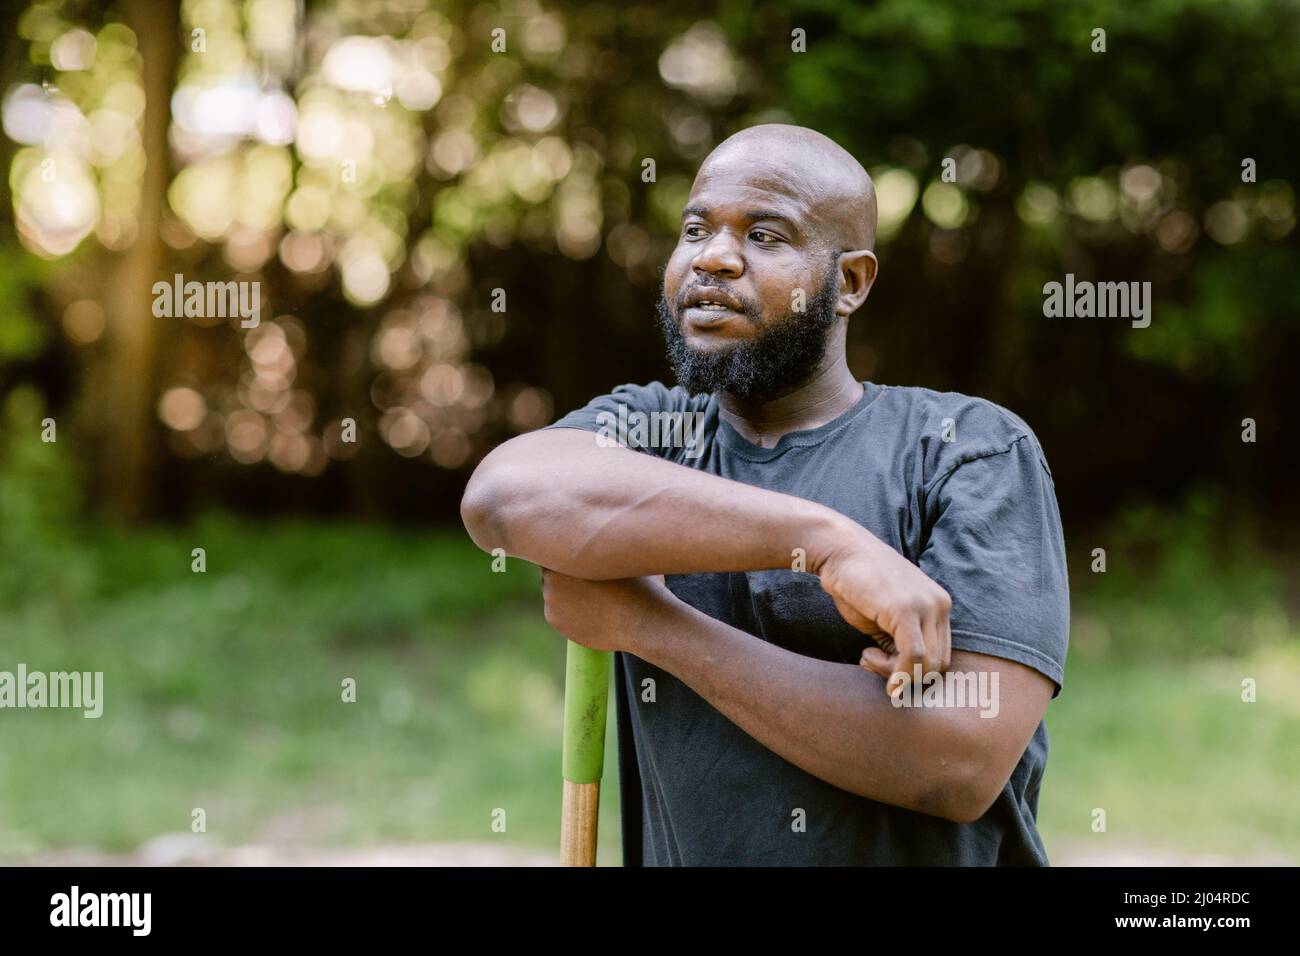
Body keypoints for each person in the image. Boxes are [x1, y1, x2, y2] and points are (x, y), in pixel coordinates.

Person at [460, 124, 1070, 865]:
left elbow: (957, 764)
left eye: (765, 234)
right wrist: (825, 542)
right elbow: (500, 499)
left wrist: (653, 627)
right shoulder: (653, 431)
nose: (714, 257)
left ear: (849, 283)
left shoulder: (965, 449)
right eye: (696, 229)